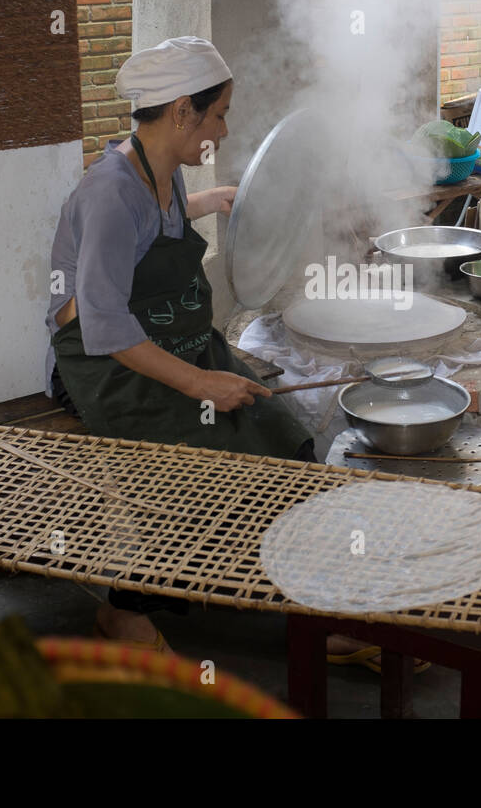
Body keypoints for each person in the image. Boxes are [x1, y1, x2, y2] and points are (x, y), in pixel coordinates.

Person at [45, 36, 313, 651]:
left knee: (279, 435)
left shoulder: (159, 170)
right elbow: (106, 325)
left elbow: (156, 224)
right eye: (218, 112)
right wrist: (201, 383)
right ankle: (125, 610)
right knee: (192, 464)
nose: (224, 123)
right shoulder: (109, 192)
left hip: (176, 338)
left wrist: (205, 202)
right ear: (181, 112)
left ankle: (289, 595)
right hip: (106, 364)